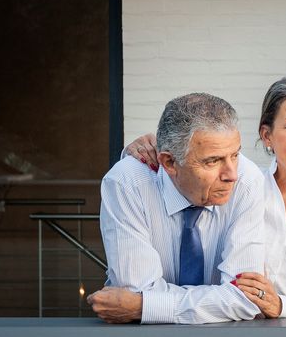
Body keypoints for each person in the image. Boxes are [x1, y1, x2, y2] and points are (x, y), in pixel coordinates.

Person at [125, 76, 286, 318]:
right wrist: (136, 155)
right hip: (241, 336)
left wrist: (282, 306)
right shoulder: (237, 190)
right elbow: (188, 168)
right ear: (266, 135)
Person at [88, 92, 267, 324]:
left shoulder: (247, 180)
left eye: (235, 155)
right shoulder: (127, 183)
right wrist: (219, 303)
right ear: (170, 162)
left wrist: (143, 307)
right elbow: (136, 288)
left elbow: (245, 298)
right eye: (212, 161)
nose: (231, 174)